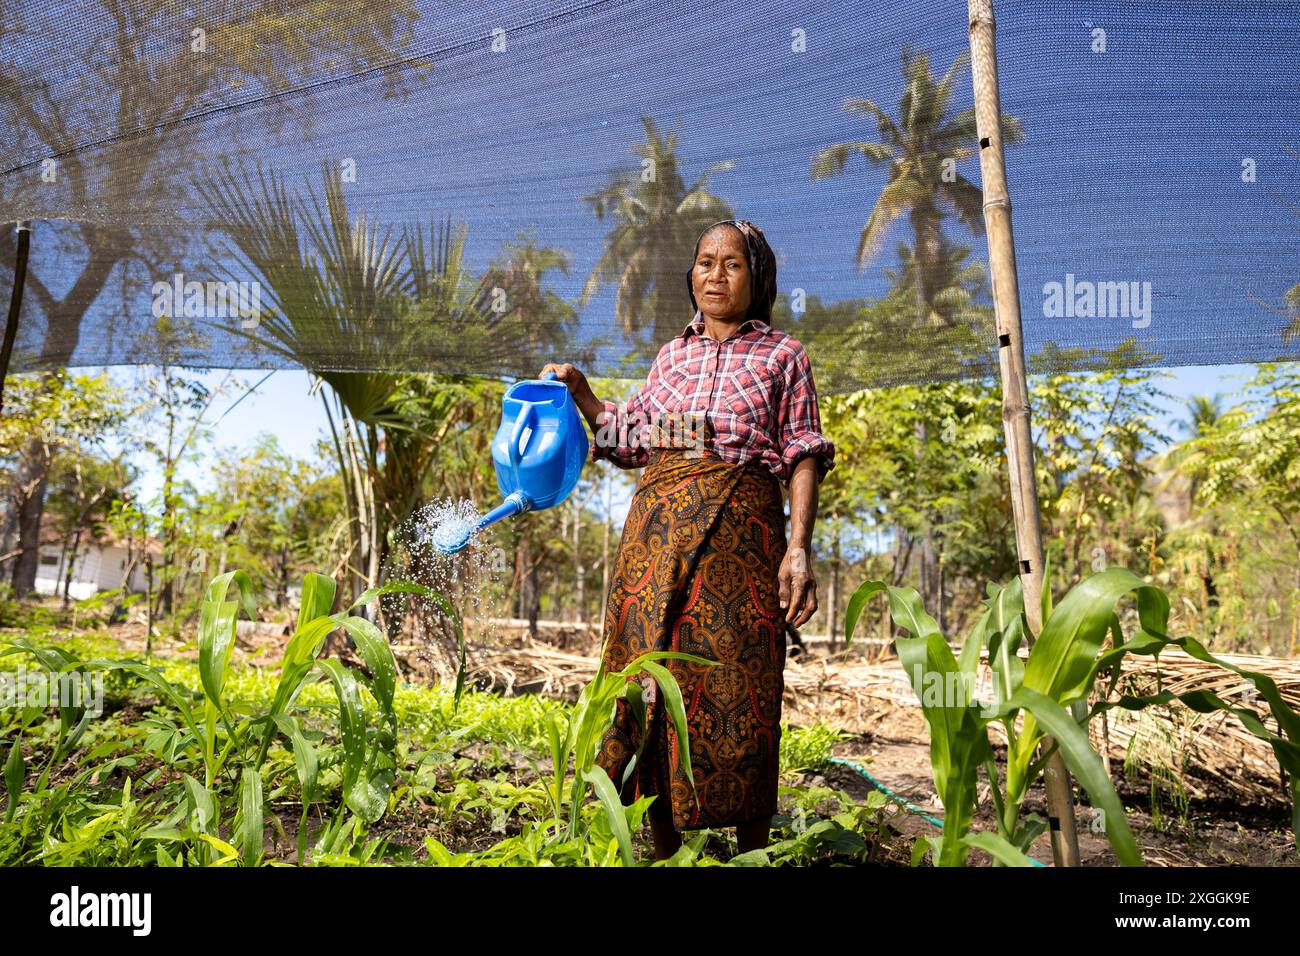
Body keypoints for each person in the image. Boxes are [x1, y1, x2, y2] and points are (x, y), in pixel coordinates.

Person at [540, 218, 834, 860]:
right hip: (655, 531)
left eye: (732, 264)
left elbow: (803, 453)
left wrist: (799, 548)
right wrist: (584, 395)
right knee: (651, 675)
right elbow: (631, 438)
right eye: (705, 262)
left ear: (757, 277)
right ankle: (662, 844)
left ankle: (751, 846)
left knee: (741, 682)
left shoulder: (783, 355)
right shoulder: (672, 355)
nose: (715, 275)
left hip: (740, 535)